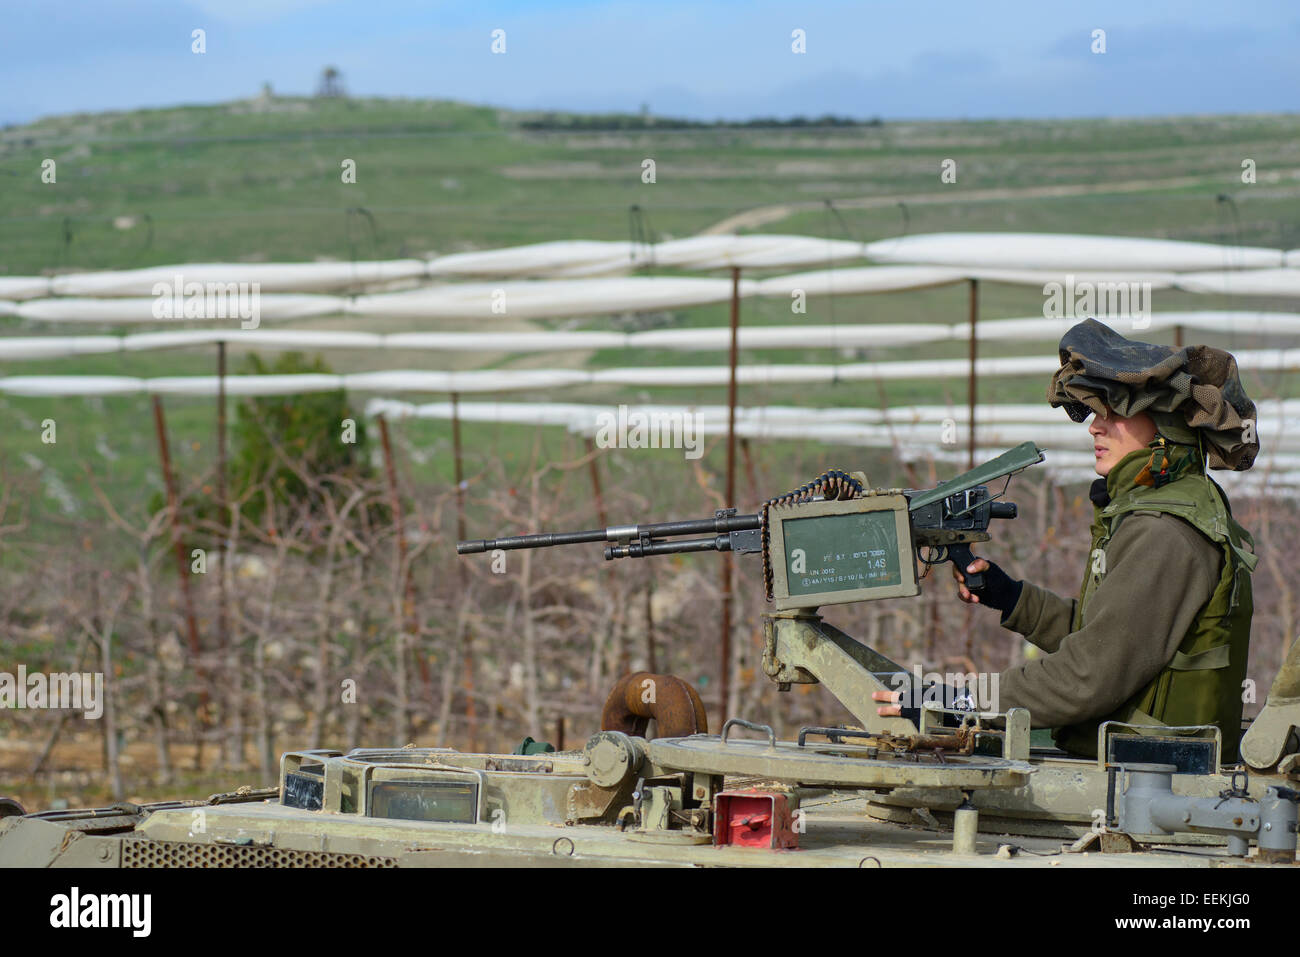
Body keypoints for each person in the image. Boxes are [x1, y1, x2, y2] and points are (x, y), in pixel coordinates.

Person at [875, 318, 1259, 760]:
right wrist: (1014, 599)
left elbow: (1089, 676)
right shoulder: (1159, 510)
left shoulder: (1163, 530)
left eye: (1117, 414)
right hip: (1139, 761)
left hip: (1148, 775)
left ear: (1166, 433)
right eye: (1098, 413)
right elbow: (1110, 640)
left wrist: (958, 703)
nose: (1096, 427)